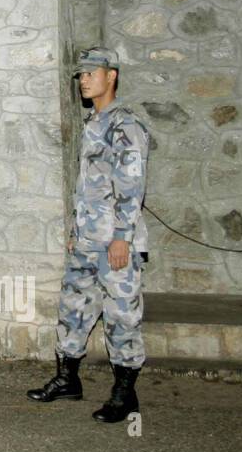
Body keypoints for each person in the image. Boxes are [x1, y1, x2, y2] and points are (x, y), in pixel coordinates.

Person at [27, 47, 150, 423]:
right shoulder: (93, 122)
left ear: (111, 75)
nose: (83, 79)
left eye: (91, 73)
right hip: (86, 239)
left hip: (114, 242)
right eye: (80, 75)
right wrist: (74, 230)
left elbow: (132, 187)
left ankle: (124, 394)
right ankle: (67, 379)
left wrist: (122, 238)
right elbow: (87, 187)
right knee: (73, 309)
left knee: (121, 315)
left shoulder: (125, 124)